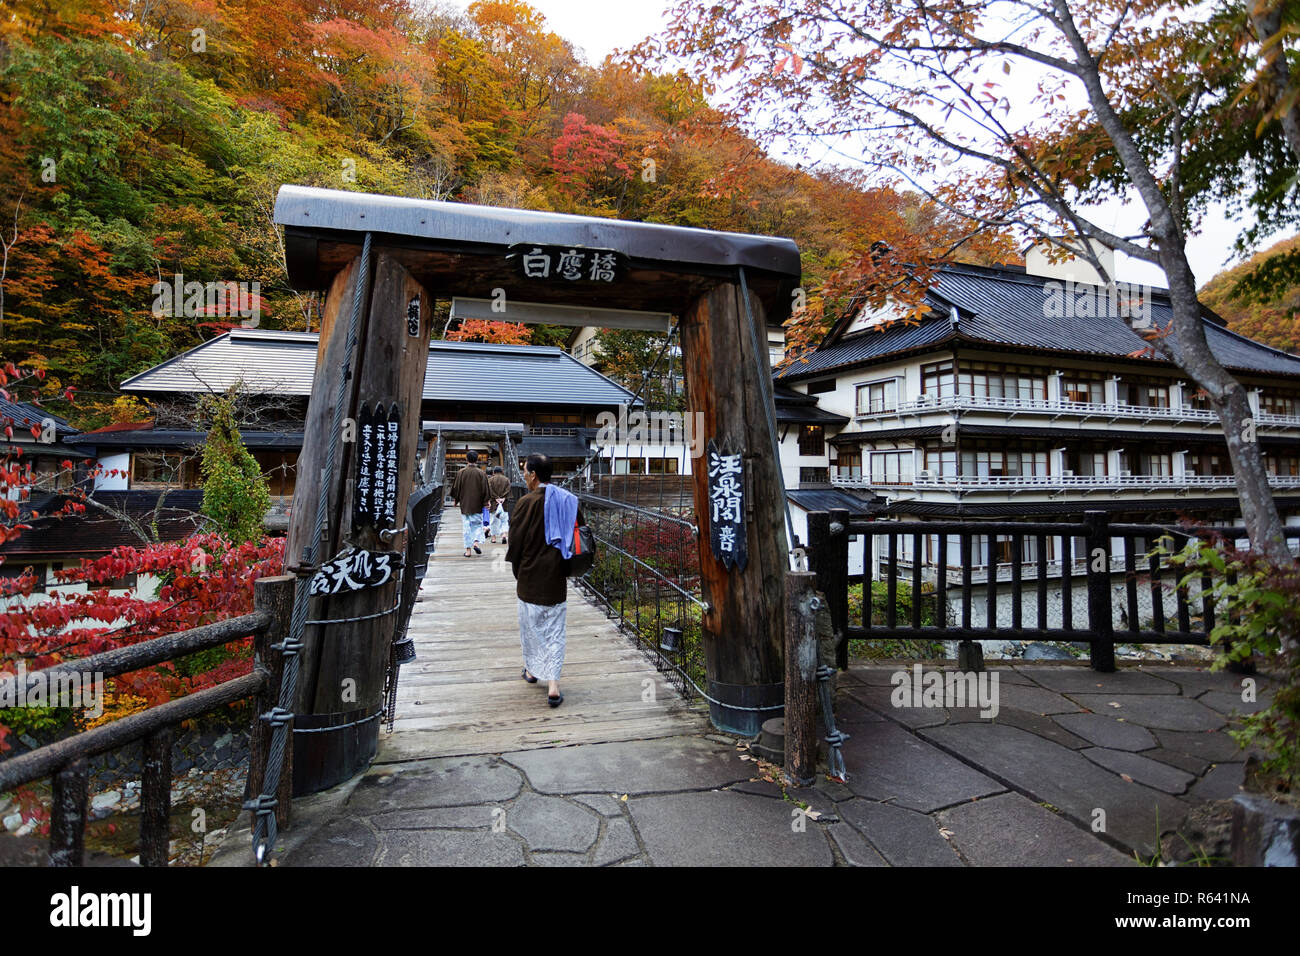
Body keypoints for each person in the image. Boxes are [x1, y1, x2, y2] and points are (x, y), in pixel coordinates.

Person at [506, 453, 583, 708]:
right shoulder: (567, 501)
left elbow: (515, 543)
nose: (524, 477)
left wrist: (518, 569)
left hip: (529, 578)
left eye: (525, 473)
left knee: (531, 630)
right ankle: (553, 686)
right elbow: (579, 531)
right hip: (556, 579)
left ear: (534, 475)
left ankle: (532, 671)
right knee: (555, 632)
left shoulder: (525, 503)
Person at [450, 449, 489, 557]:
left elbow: (456, 488)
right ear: (477, 460)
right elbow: (485, 489)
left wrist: (456, 500)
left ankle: (468, 551)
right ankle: (475, 543)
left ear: (466, 459)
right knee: (476, 525)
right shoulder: (481, 473)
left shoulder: (461, 473)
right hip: (477, 504)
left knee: (466, 527)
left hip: (465, 505)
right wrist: (486, 502)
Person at [487, 465, 510, 544]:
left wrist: (496, 498)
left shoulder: (490, 480)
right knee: (504, 520)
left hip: (494, 503)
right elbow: (508, 490)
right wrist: (503, 498)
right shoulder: (506, 480)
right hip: (503, 503)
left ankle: (493, 538)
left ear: (493, 472)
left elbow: (489, 490)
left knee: (494, 520)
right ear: (502, 472)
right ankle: (504, 534)